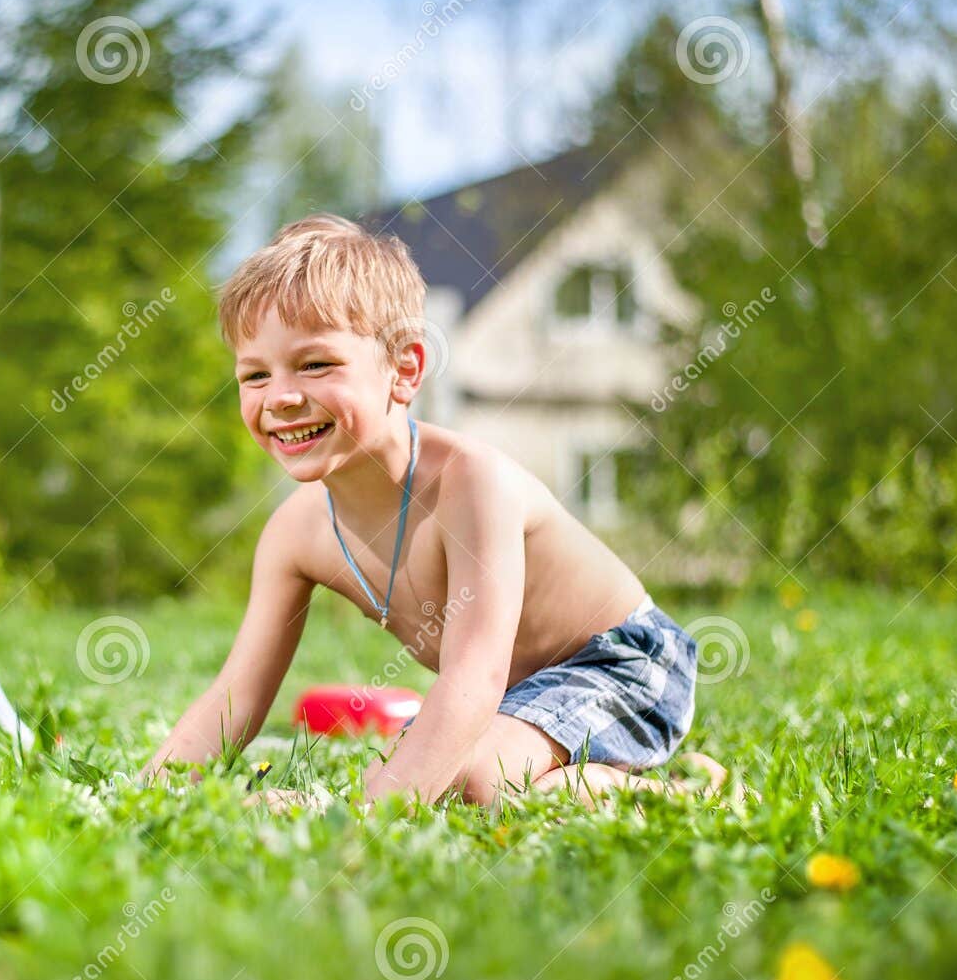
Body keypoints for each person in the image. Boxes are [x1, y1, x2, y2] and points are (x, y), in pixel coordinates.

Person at [147, 215, 723, 807]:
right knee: (441, 762)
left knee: (465, 777)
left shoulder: (472, 484)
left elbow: (472, 678)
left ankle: (674, 795)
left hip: (624, 666)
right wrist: (151, 792)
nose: (283, 396)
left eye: (316, 364)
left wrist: (366, 814)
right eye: (255, 375)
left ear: (404, 370)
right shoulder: (294, 534)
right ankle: (622, 780)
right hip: (515, 698)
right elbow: (235, 695)